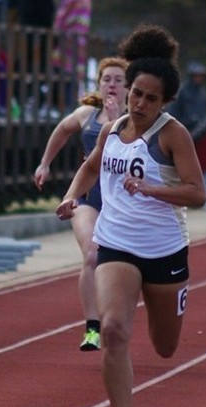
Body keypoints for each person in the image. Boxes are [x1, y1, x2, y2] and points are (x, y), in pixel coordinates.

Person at [55, 24, 206, 407]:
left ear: (165, 102)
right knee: (115, 330)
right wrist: (70, 197)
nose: (139, 103)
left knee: (165, 347)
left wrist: (157, 190)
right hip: (116, 244)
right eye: (135, 93)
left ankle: (168, 306)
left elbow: (197, 193)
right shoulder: (113, 127)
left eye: (149, 98)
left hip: (164, 251)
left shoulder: (172, 135)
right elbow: (89, 168)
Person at [34, 56, 128, 351]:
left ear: (128, 87)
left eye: (118, 80)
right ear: (98, 84)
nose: (111, 85)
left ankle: (116, 318)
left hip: (121, 204)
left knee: (120, 265)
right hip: (87, 197)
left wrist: (115, 118)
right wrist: (45, 164)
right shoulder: (87, 113)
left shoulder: (135, 118)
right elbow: (62, 130)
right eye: (106, 79)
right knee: (91, 254)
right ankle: (92, 328)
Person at [168, 61, 206, 132]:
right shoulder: (181, 91)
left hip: (198, 132)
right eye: (197, 76)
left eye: (201, 76)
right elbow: (173, 112)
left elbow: (204, 115)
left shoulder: (204, 95)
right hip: (181, 130)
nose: (199, 79)